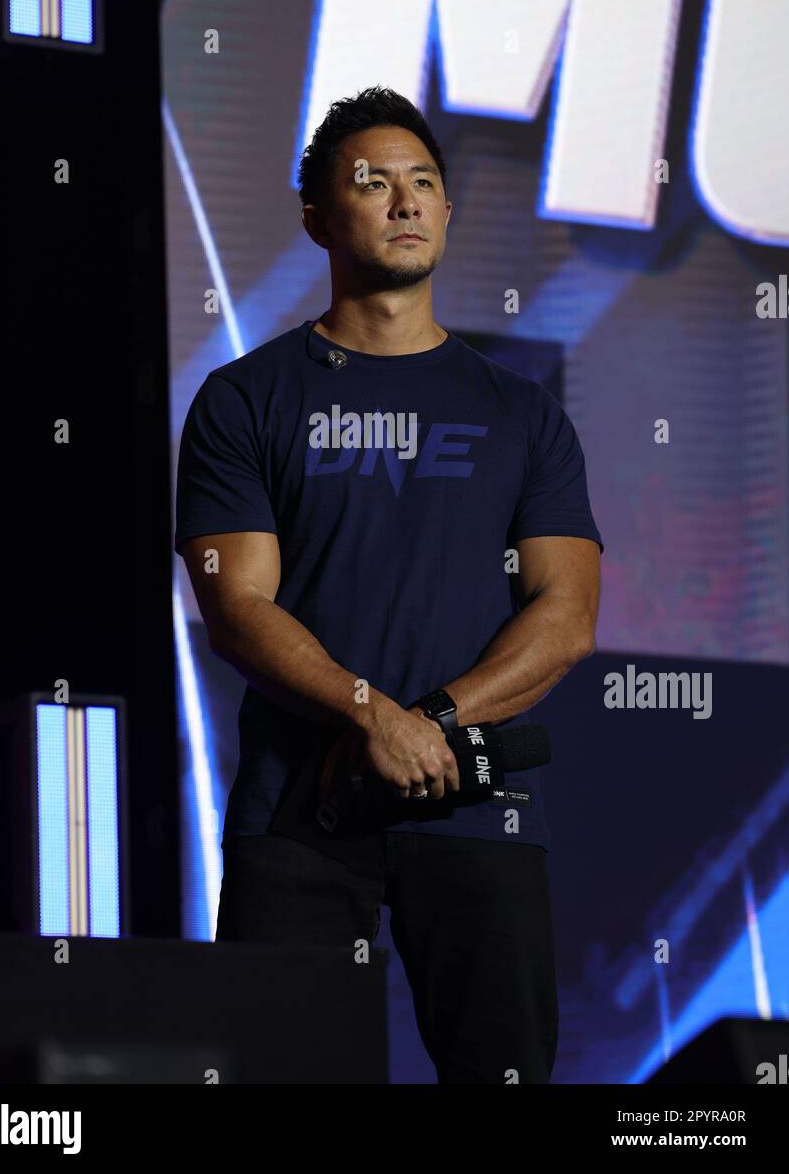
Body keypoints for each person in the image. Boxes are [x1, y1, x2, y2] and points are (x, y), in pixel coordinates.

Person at [174, 85, 603, 1084]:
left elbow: (566, 615)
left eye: (422, 183)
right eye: (372, 182)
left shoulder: (520, 413)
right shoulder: (245, 400)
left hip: (477, 806)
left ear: (447, 213)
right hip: (299, 814)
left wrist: (432, 724)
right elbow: (236, 605)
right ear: (317, 217)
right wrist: (367, 714)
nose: (404, 202)